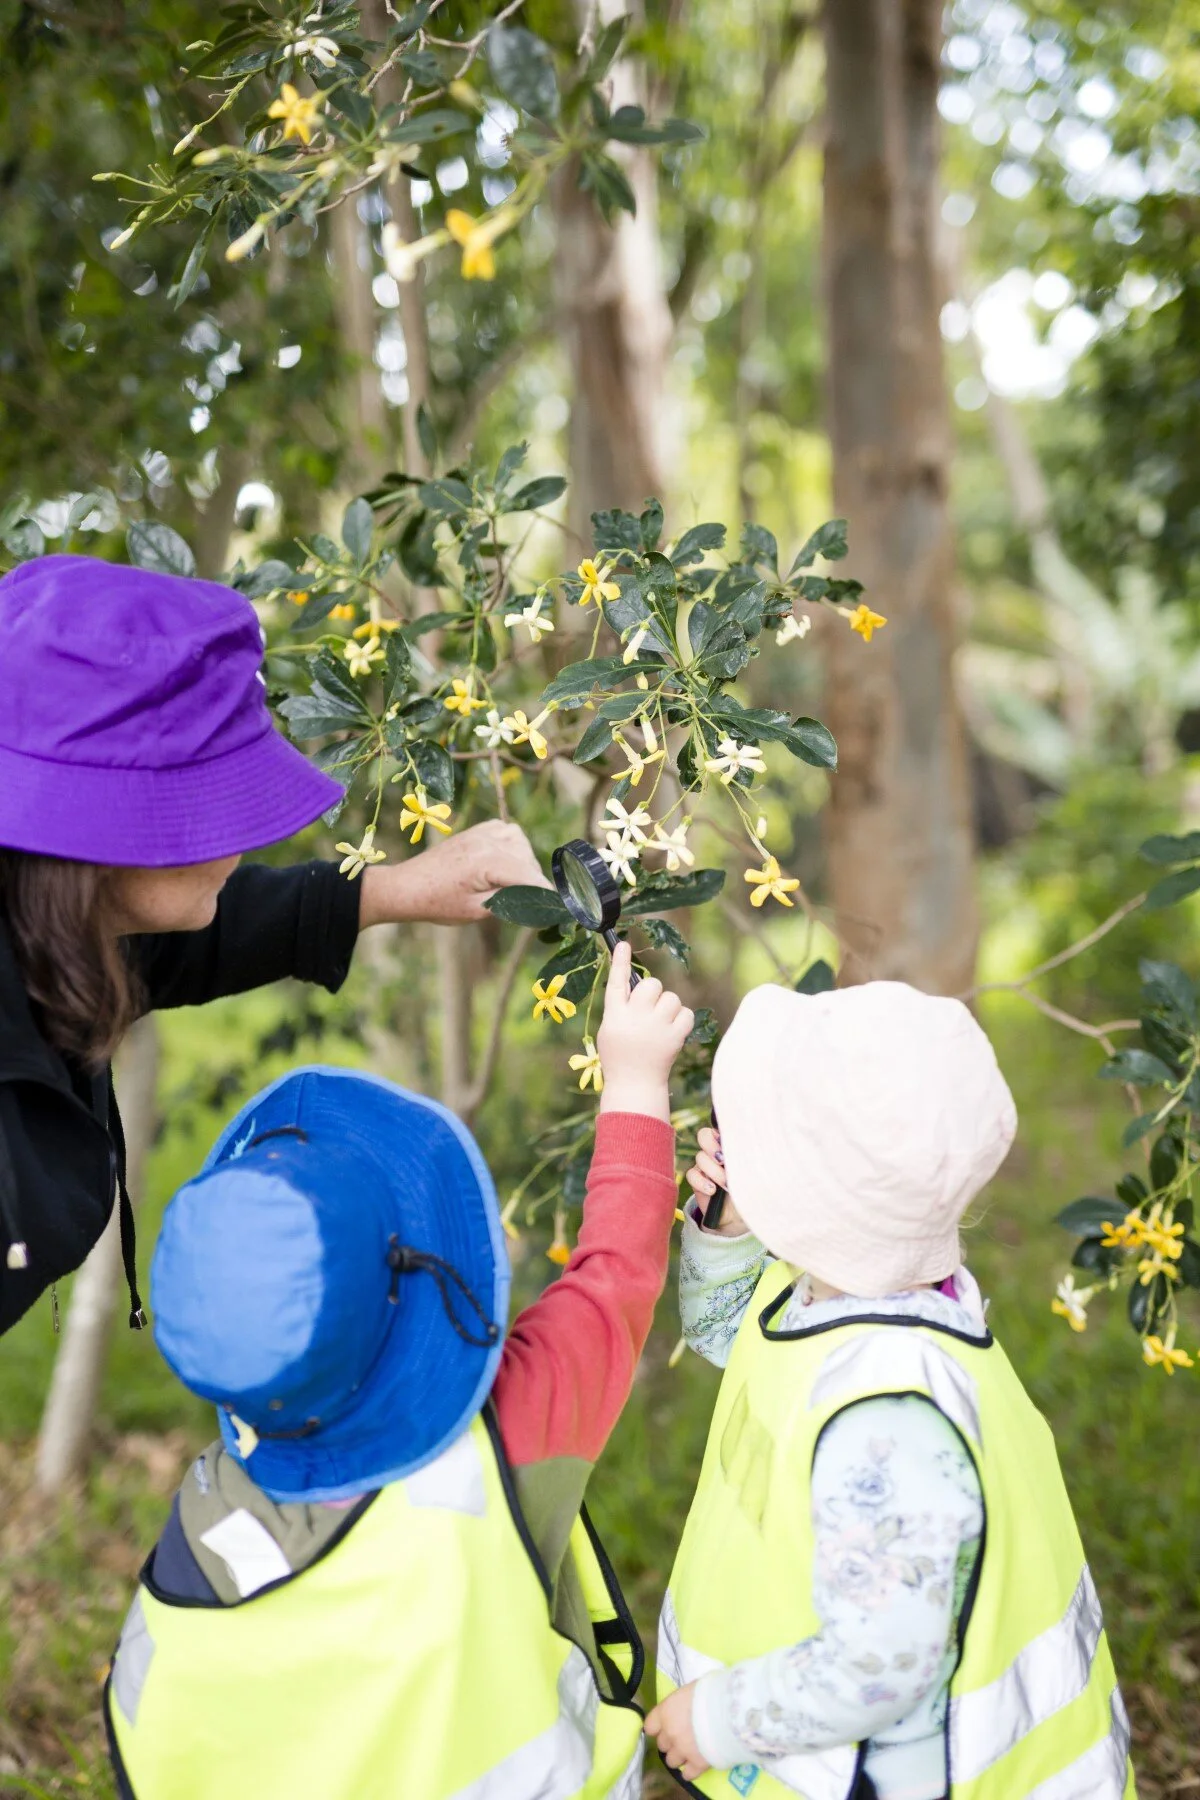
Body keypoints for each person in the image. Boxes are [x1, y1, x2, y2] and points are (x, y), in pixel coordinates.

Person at [104, 941, 693, 1800]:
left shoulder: (231, 1469)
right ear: (415, 1272)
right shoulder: (512, 1425)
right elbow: (613, 1277)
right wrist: (636, 1084)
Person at [0, 553, 543, 1335]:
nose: (242, 841)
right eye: (211, 808)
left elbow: (161, 943)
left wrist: (389, 891)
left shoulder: (43, 914)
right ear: (99, 836)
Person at [645, 980, 1136, 1800]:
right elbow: (729, 1333)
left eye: (749, 1139)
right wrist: (728, 1233)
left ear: (809, 1199)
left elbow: (883, 1665)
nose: (719, 1137)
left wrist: (720, 1718)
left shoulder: (889, 1417)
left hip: (893, 1774)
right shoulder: (840, 1287)